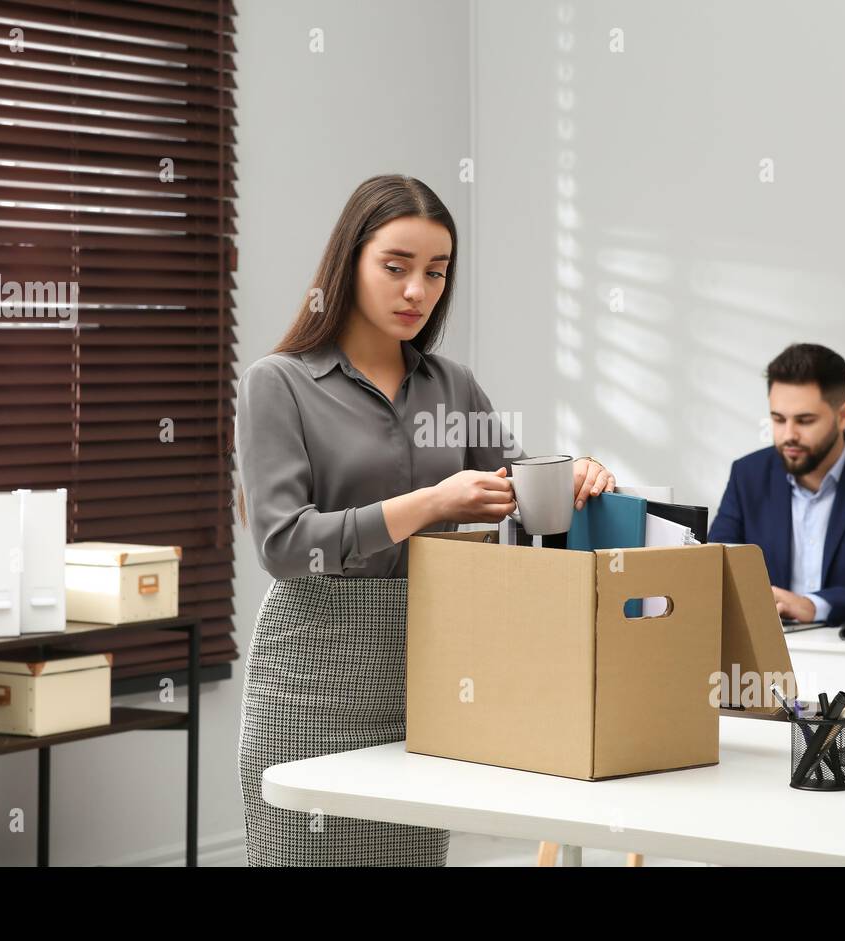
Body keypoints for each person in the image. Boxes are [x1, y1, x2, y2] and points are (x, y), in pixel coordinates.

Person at [232, 174, 615, 866]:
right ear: (349, 262)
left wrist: (578, 473)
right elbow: (284, 545)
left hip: (431, 670)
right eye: (396, 267)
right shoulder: (278, 383)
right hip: (314, 668)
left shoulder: (452, 385)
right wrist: (432, 505)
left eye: (436, 273)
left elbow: (523, 493)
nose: (418, 291)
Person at [708, 343, 845, 626]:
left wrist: (816, 606)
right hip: (768, 652)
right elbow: (715, 571)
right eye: (778, 419)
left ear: (843, 416)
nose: (788, 435)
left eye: (805, 421)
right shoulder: (748, 475)